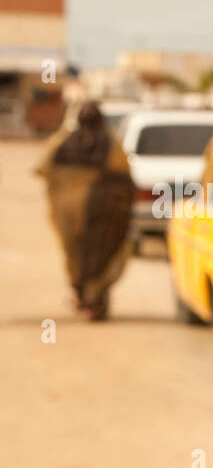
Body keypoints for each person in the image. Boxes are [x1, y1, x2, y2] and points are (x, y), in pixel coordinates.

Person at [34, 101, 135, 321]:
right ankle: (90, 297)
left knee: (78, 256)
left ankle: (85, 295)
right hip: (96, 215)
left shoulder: (62, 143)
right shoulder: (111, 144)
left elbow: (42, 169)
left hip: (73, 216)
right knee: (98, 257)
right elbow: (124, 179)